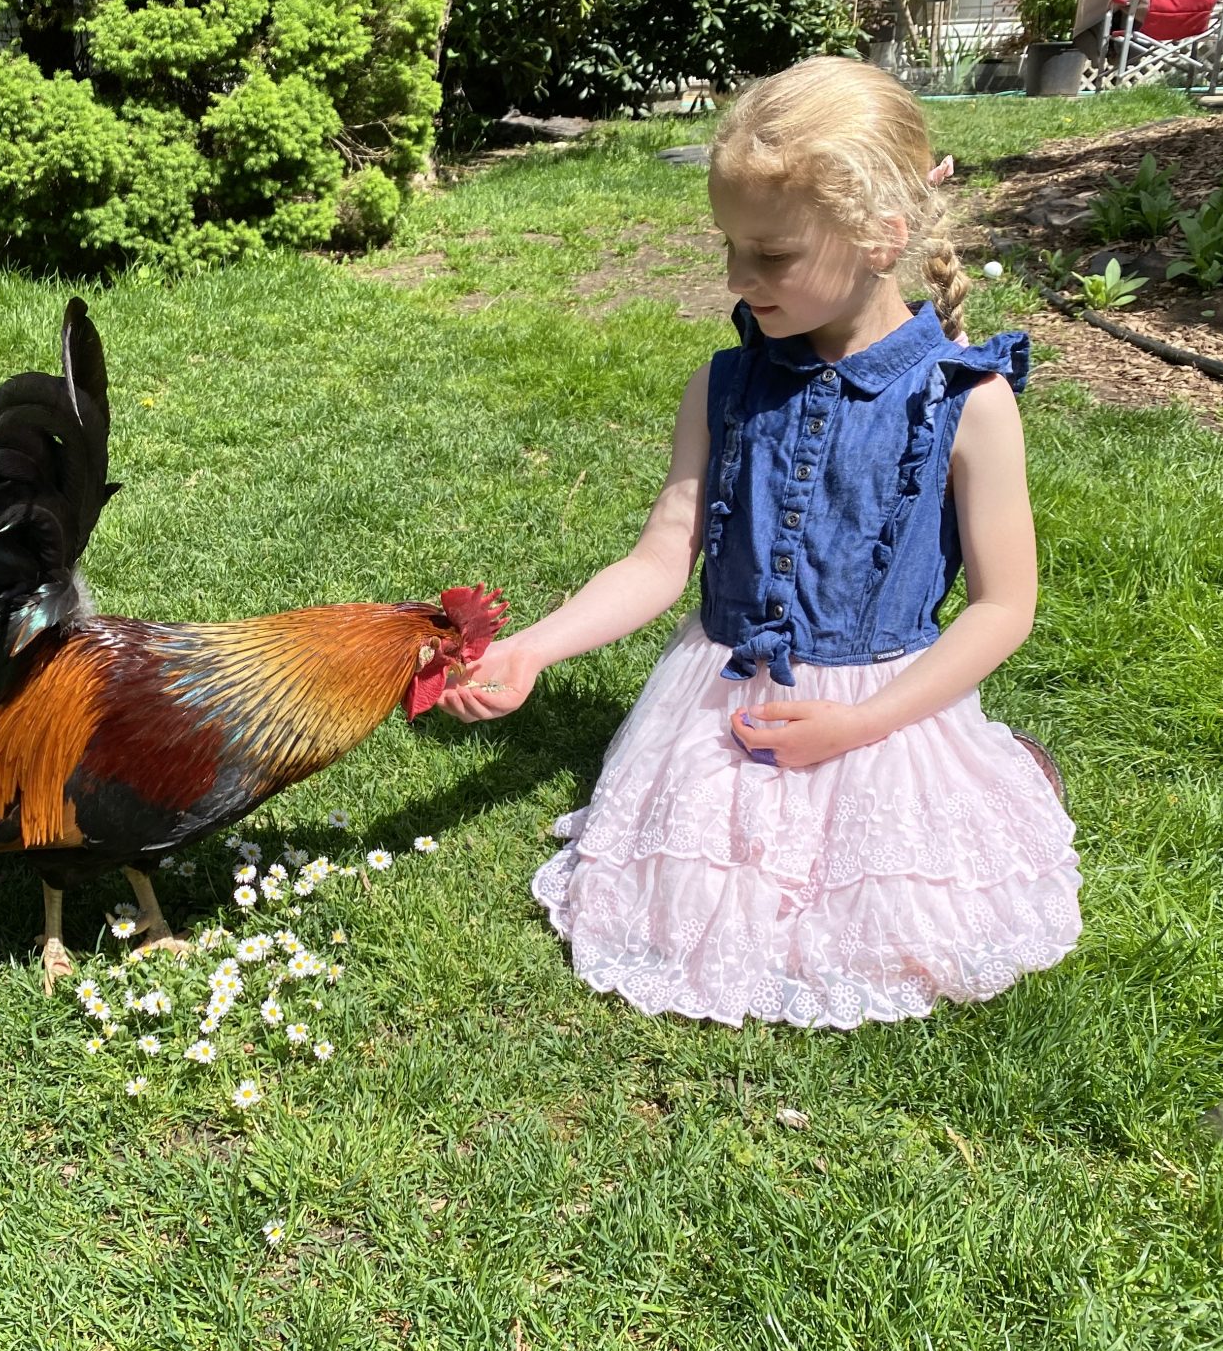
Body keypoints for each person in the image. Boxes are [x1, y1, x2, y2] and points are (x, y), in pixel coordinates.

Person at [439, 57, 1081, 1028]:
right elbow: (664, 555)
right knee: (698, 896)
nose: (737, 280)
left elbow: (1004, 607)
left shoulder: (966, 403)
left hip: (882, 710)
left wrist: (859, 725)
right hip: (724, 696)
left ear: (880, 238)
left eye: (769, 256)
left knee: (890, 912)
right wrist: (533, 647)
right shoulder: (723, 384)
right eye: (728, 249)